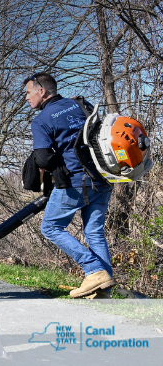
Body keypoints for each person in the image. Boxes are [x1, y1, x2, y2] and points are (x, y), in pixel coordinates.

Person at [24, 72, 116, 298]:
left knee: (51, 227)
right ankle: (104, 288)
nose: (26, 98)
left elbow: (44, 159)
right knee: (94, 232)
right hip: (103, 177)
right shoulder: (81, 105)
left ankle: (94, 271)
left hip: (75, 182)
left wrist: (57, 163)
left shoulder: (42, 120)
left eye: (28, 93)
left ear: (42, 91)